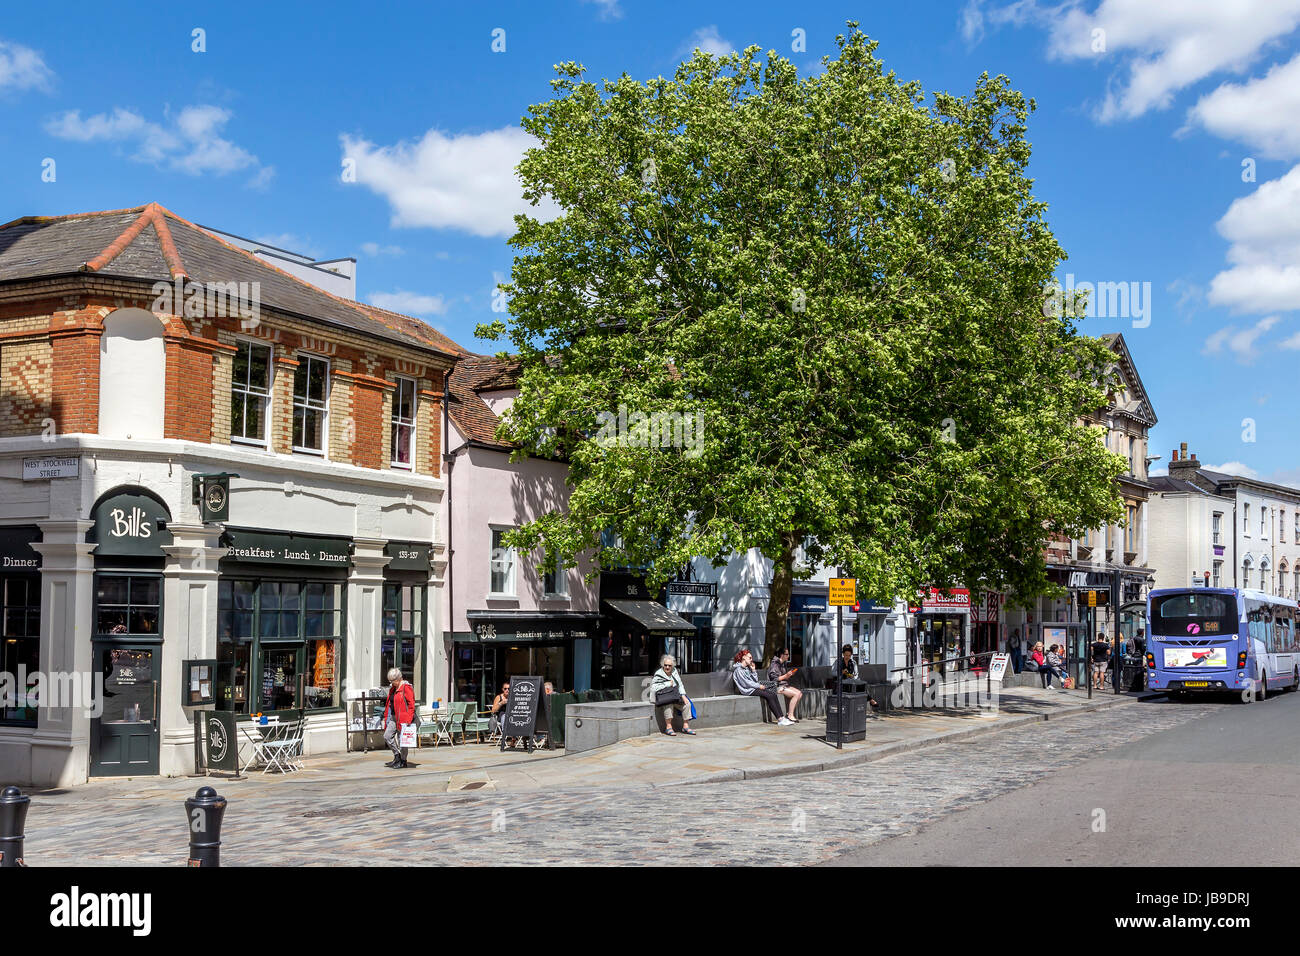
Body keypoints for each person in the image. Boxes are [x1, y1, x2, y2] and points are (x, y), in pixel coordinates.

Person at [731, 650, 792, 725]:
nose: (751, 659)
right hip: (747, 690)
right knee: (769, 695)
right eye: (750, 658)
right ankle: (779, 719)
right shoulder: (738, 670)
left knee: (773, 694)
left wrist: (753, 670)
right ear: (744, 657)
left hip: (752, 688)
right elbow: (746, 683)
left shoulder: (746, 668)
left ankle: (782, 717)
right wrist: (758, 686)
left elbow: (755, 680)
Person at [651, 654, 695, 736]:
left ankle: (685, 726)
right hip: (664, 697)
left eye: (669, 665)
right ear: (662, 665)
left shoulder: (674, 671)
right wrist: (667, 684)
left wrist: (683, 695)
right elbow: (654, 687)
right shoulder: (659, 674)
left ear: (673, 666)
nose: (667, 667)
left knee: (687, 704)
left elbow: (680, 684)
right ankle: (668, 727)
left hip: (674, 695)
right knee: (668, 704)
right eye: (665, 665)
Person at [381, 667, 416, 769]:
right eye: (390, 681)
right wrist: (386, 716)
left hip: (404, 718)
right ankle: (397, 756)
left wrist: (408, 719)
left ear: (399, 679)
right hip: (393, 717)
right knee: (387, 736)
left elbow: (411, 705)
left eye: (393, 681)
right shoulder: (393, 689)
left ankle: (403, 761)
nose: (391, 683)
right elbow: (389, 703)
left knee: (403, 741)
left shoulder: (406, 688)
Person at [768, 647, 803, 722]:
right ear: (781, 655)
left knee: (799, 693)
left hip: (783, 685)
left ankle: (789, 714)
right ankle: (790, 716)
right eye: (786, 654)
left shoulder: (782, 664)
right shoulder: (775, 664)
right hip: (776, 687)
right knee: (796, 694)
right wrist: (786, 676)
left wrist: (789, 675)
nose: (788, 656)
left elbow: (783, 677)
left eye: (788, 654)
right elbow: (774, 679)